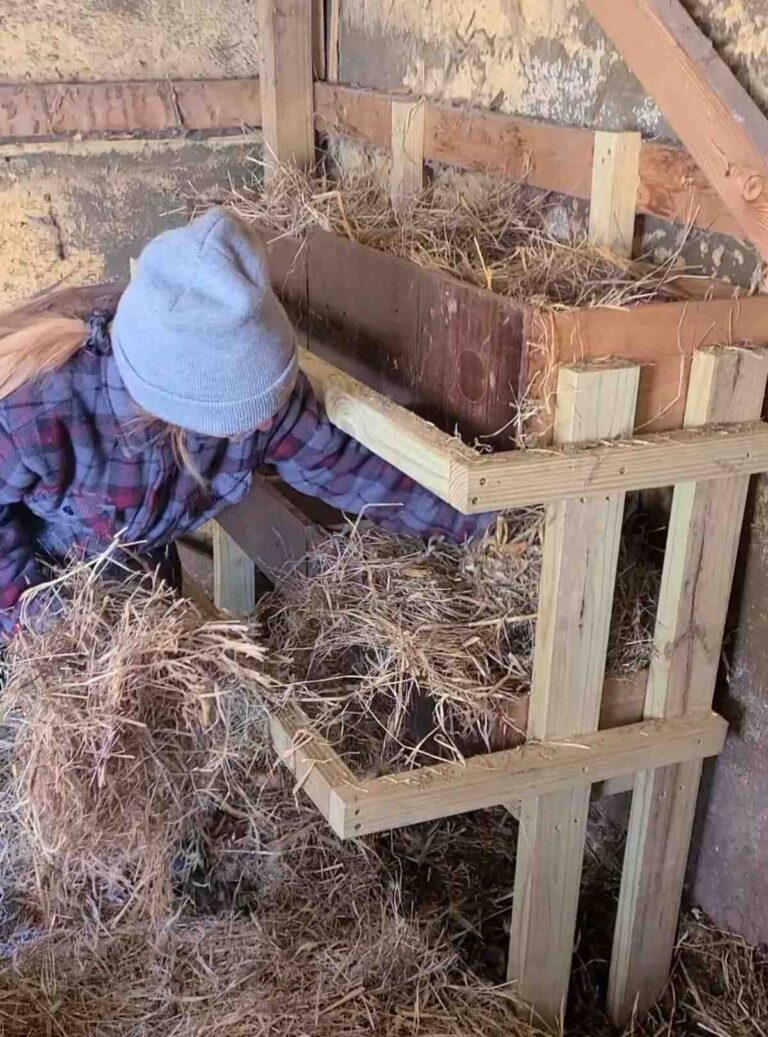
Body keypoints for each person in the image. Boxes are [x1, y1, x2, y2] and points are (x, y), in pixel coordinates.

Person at [0, 207, 493, 640]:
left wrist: (479, 522)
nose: (262, 430)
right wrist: (40, 616)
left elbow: (345, 465)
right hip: (40, 588)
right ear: (181, 409)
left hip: (137, 573)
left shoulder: (256, 402)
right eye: (238, 420)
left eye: (266, 411)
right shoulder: (37, 410)